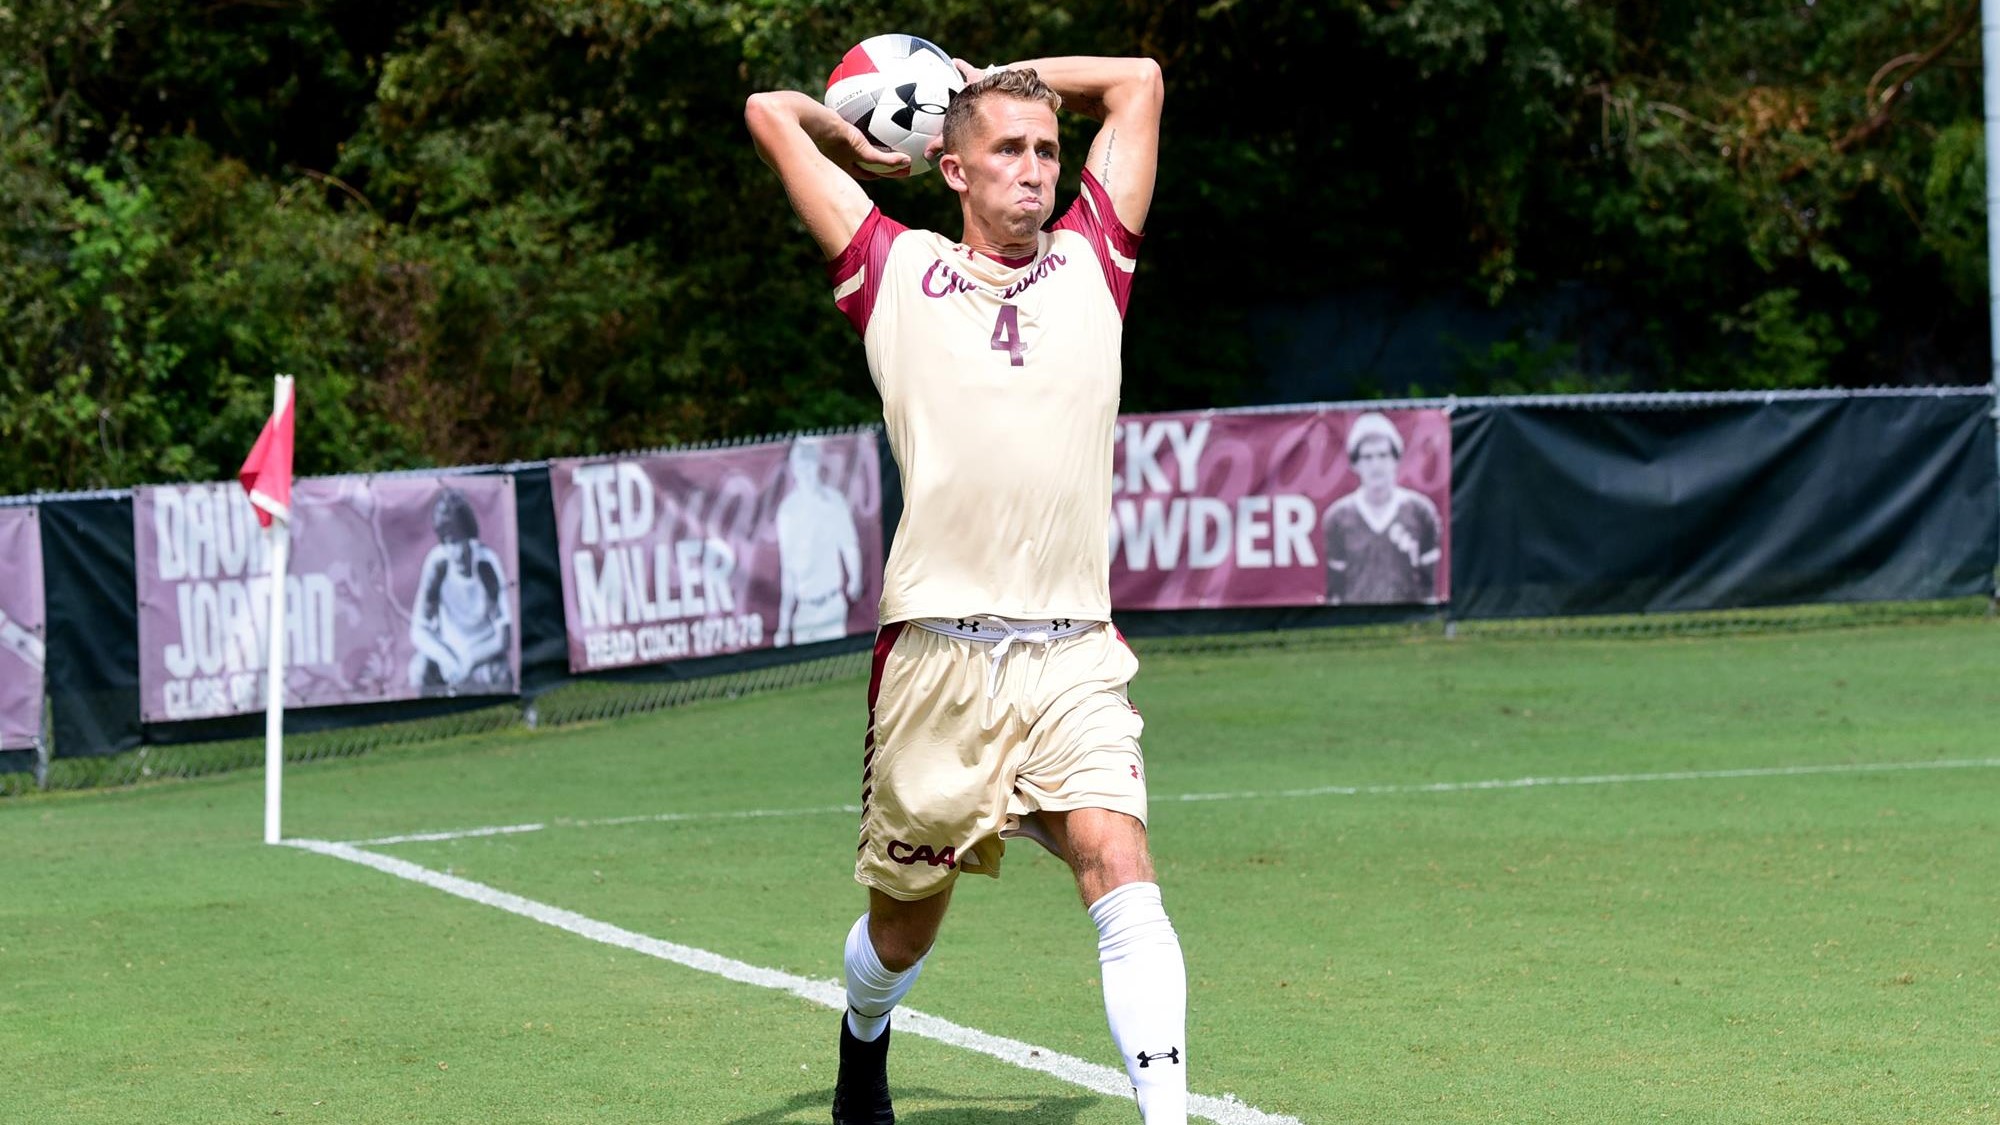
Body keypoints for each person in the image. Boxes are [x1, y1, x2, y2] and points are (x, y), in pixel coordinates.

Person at [746, 50, 1183, 1125]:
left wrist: (1000, 74)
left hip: (1073, 650)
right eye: (1007, 151)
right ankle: (863, 1033)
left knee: (1119, 862)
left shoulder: (1094, 264)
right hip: (936, 659)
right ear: (951, 169)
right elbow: (768, 112)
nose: (1034, 170)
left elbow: (1137, 81)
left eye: (1046, 150)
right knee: (902, 934)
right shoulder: (891, 271)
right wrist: (848, 136)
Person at [1323, 412, 1442, 605]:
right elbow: (1335, 587)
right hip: (1354, 617)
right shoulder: (1337, 516)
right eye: (1367, 457)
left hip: (1411, 620)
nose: (1376, 465)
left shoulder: (1421, 510)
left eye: (1382, 455)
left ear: (1396, 459)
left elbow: (1432, 582)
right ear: (1356, 463)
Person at [407, 488, 514, 694]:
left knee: (502, 674)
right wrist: (448, 659)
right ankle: (430, 721)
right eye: (449, 543)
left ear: (470, 537)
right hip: (449, 659)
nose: (456, 552)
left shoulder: (486, 564)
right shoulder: (437, 564)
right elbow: (419, 631)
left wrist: (469, 660)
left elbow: (503, 638)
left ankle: (515, 715)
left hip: (482, 658)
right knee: (417, 669)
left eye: (460, 541)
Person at [774, 439, 865, 648]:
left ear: (817, 464)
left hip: (832, 605)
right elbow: (788, 570)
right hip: (804, 610)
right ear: (793, 468)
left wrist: (855, 578)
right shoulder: (788, 510)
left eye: (809, 462)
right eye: (800, 464)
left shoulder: (834, 501)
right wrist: (783, 625)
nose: (805, 469)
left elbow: (848, 545)